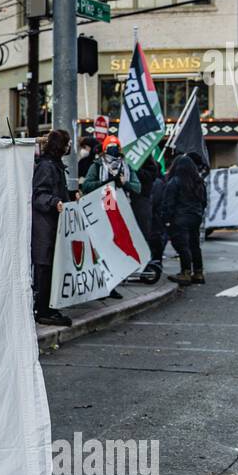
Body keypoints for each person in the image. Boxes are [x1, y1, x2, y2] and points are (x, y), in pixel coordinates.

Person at [81, 137, 141, 300]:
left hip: (120, 214)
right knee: (100, 250)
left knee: (116, 249)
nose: (113, 152)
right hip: (101, 212)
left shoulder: (127, 167)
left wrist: (124, 184)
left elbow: (137, 188)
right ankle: (100, 285)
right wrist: (106, 183)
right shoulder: (97, 166)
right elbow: (86, 186)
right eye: (110, 148)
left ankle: (112, 285)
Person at [32, 129, 74, 327]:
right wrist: (54, 201)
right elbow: (38, 195)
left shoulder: (53, 165)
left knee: (49, 270)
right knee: (44, 270)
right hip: (45, 229)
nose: (69, 148)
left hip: (51, 227)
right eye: (66, 143)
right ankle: (43, 310)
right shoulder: (47, 166)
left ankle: (47, 308)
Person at [160, 153, 207, 285]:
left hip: (179, 218)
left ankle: (185, 272)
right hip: (195, 216)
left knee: (182, 246)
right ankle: (198, 272)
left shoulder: (174, 182)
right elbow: (204, 201)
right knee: (194, 245)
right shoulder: (198, 182)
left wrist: (166, 220)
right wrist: (198, 213)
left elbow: (168, 203)